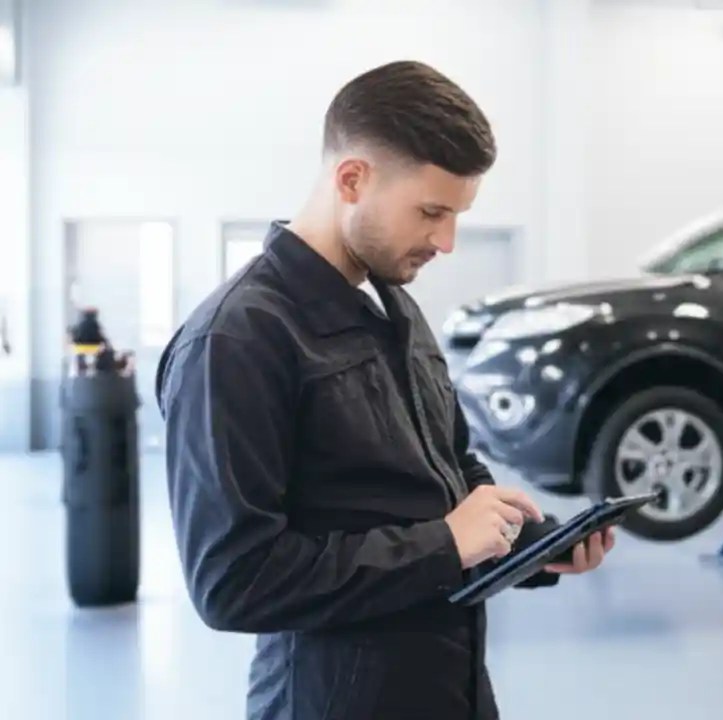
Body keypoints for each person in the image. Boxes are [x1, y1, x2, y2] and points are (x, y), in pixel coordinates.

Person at [155, 60, 614, 720]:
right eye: (431, 212)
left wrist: (532, 548)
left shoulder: (394, 309)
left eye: (457, 215)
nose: (447, 241)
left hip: (448, 687)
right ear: (351, 180)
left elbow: (447, 475)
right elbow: (234, 582)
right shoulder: (237, 339)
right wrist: (446, 545)